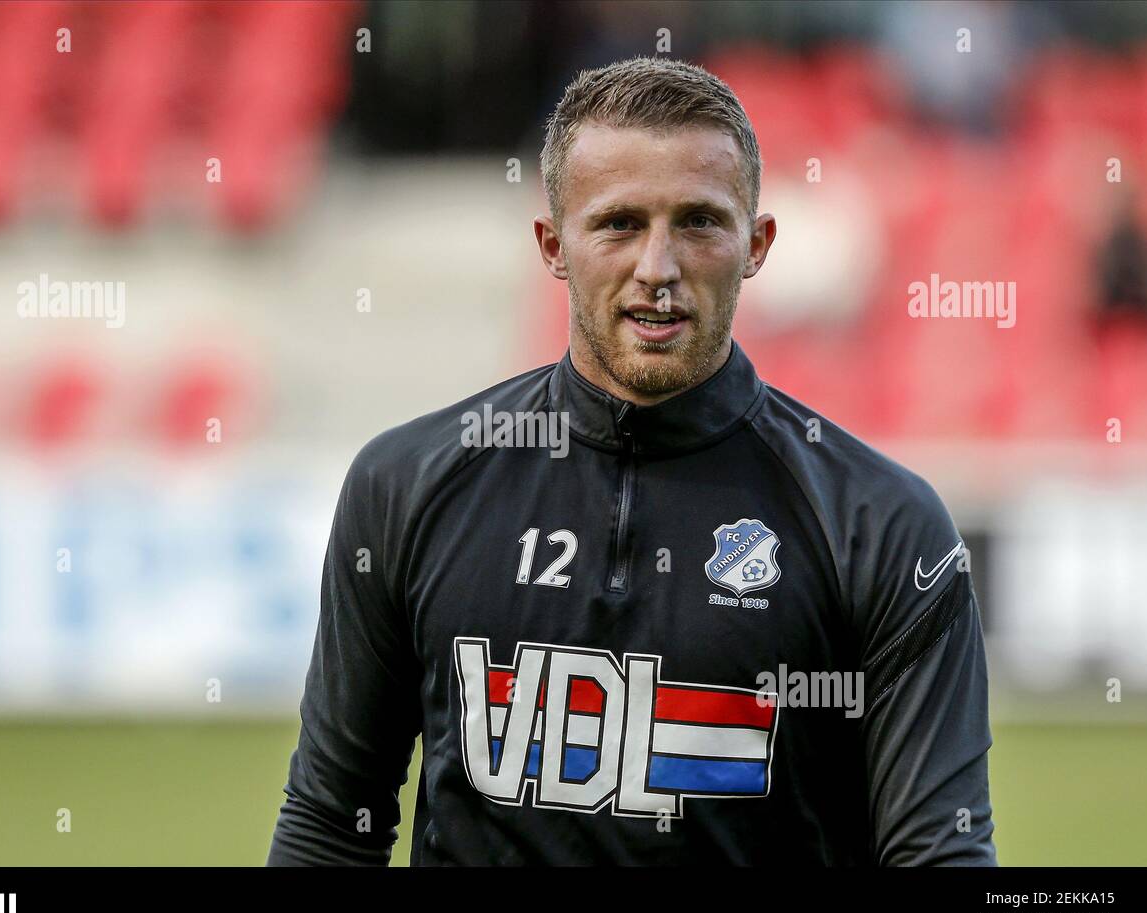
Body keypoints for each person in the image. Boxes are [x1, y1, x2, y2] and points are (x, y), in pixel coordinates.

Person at [267, 55, 996, 866]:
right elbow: (330, 824)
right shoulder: (406, 486)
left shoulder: (880, 525)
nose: (658, 268)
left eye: (699, 222)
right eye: (619, 223)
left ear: (756, 245)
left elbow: (940, 858)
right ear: (552, 245)